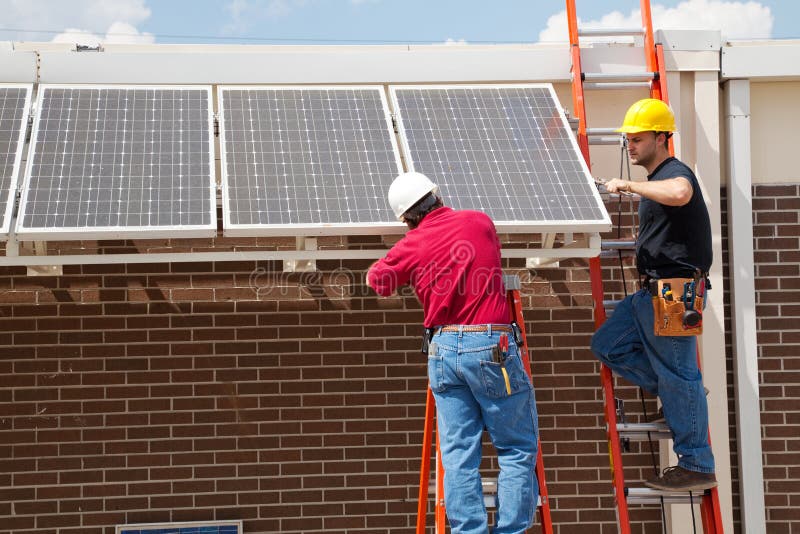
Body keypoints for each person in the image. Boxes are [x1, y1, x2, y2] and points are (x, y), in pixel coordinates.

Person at [367, 171, 539, 534]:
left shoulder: (412, 244)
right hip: (491, 346)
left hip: (443, 350)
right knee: (516, 448)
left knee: (459, 455)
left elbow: (378, 281)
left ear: (406, 218)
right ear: (438, 195)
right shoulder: (479, 222)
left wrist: (409, 253)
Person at [591, 98, 717, 491]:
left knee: (679, 374)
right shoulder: (655, 179)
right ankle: (680, 396)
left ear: (662, 138)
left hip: (676, 292)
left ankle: (696, 465)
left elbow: (680, 192)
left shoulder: (675, 173)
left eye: (638, 139)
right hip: (650, 294)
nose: (630, 145)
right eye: (628, 139)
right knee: (607, 345)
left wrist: (628, 185)